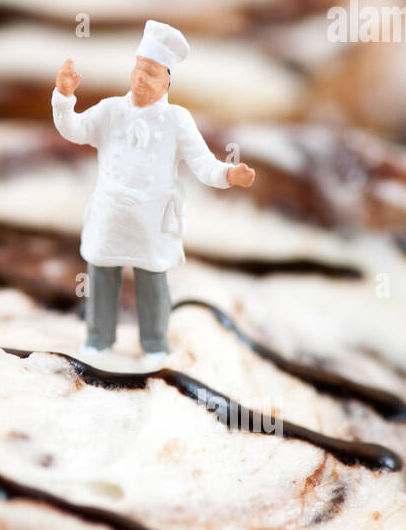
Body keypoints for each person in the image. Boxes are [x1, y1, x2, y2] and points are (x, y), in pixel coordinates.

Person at [52, 20, 255, 365]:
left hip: (151, 220)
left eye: (151, 72)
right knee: (101, 276)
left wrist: (228, 174)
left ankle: (155, 343)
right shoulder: (111, 110)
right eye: (138, 68)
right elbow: (73, 129)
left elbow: (203, 164)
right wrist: (65, 97)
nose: (140, 77)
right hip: (110, 213)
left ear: (167, 81)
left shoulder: (177, 120)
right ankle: (98, 339)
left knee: (151, 282)